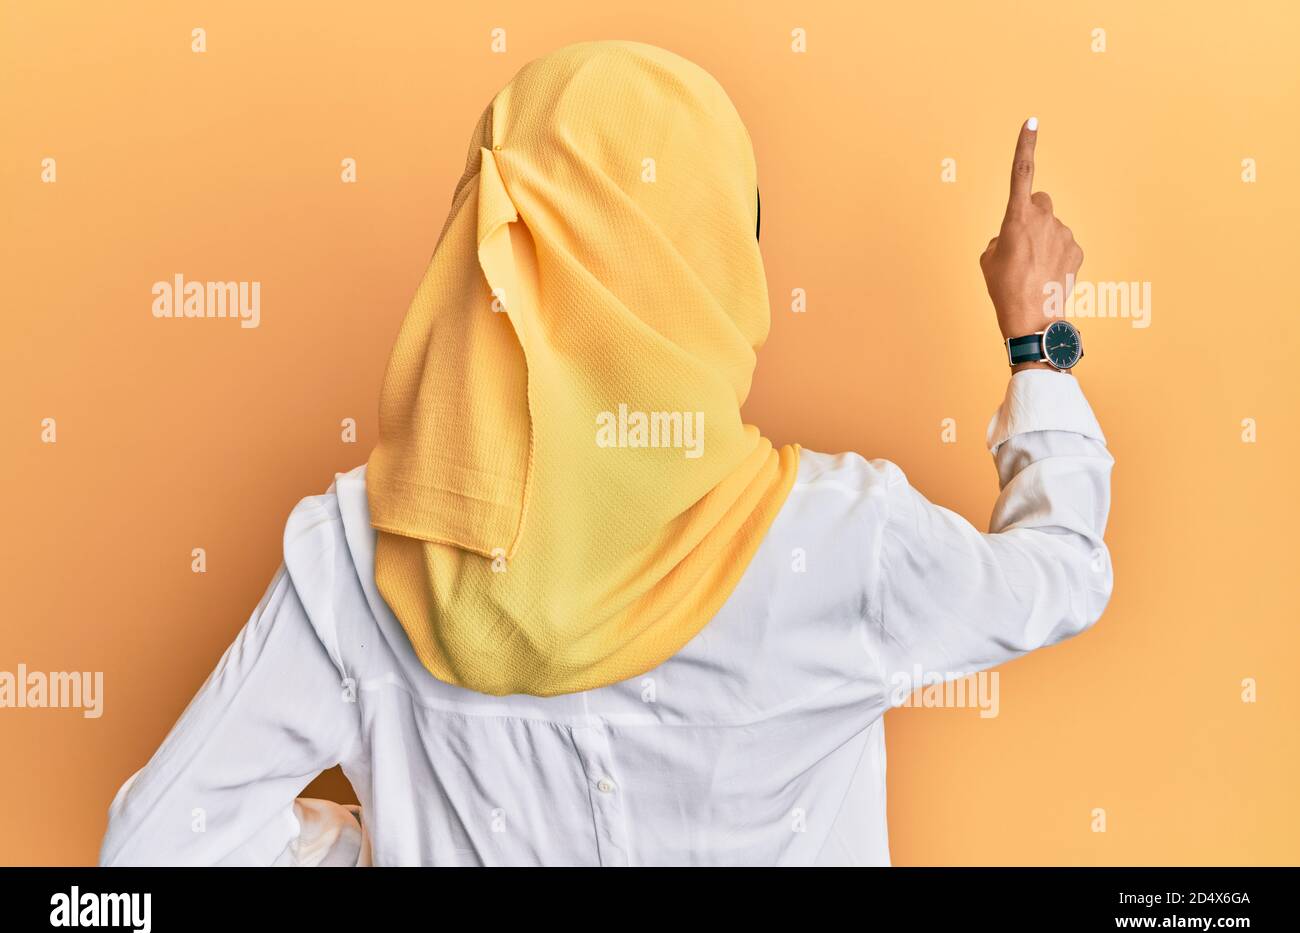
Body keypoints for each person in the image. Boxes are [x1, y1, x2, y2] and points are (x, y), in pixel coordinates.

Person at [99, 41, 1112, 866]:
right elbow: (1062, 574)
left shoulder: (358, 559)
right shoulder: (839, 540)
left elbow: (153, 848)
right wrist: (1037, 337)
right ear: (714, 257)